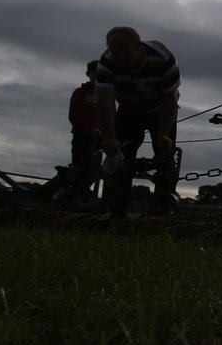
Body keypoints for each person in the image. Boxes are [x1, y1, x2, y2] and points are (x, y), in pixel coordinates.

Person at [96, 26, 181, 217]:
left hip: (160, 111)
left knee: (164, 156)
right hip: (129, 110)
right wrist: (109, 138)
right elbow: (103, 100)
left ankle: (161, 209)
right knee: (119, 157)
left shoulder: (162, 58)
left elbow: (170, 100)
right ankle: (115, 208)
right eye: (115, 53)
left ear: (137, 45)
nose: (120, 59)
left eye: (125, 53)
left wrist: (163, 134)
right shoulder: (107, 63)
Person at [68, 60, 104, 194]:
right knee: (79, 169)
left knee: (94, 171)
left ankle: (84, 196)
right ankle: (76, 196)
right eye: (95, 73)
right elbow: (73, 117)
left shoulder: (107, 95)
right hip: (81, 138)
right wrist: (91, 130)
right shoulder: (80, 92)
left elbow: (113, 115)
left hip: (100, 140)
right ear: (89, 74)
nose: (98, 76)